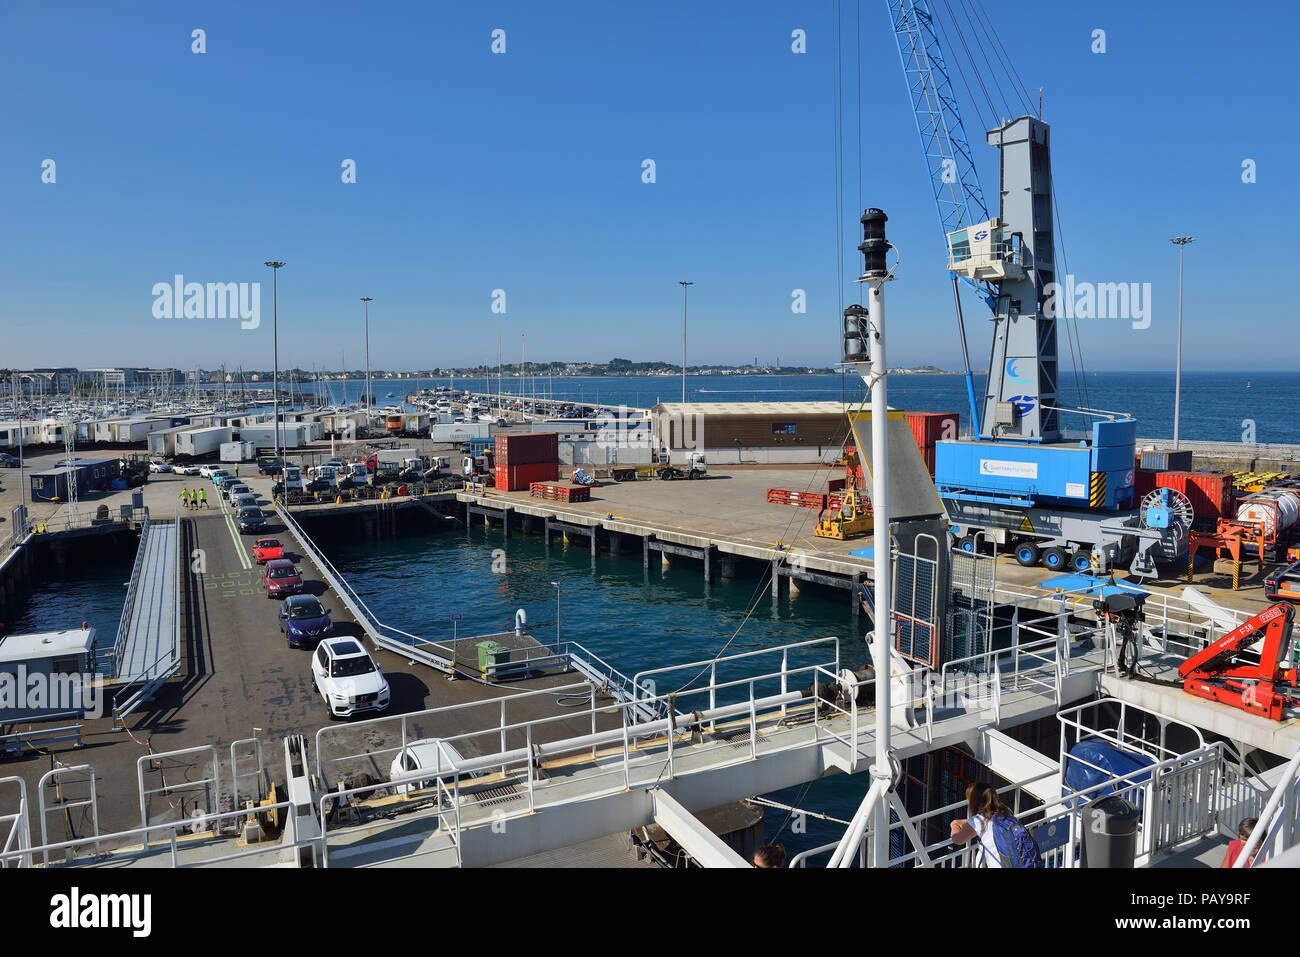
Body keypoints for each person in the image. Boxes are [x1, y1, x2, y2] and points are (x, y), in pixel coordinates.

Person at [950, 782, 1039, 868]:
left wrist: (954, 825)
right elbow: (986, 820)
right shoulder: (1006, 811)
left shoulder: (978, 821)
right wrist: (967, 822)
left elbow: (957, 839)